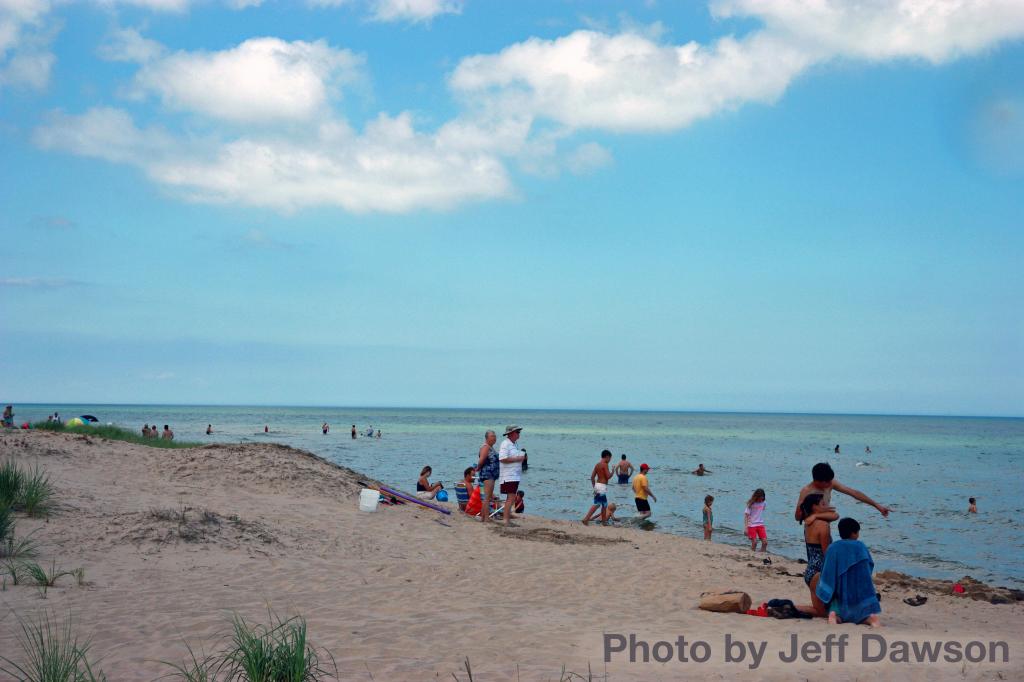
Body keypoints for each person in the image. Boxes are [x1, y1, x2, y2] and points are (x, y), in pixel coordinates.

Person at [816, 518, 882, 627]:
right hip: (858, 596)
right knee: (868, 615)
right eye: (858, 532)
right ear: (853, 533)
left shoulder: (833, 548)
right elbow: (869, 566)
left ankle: (834, 617)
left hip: (839, 596)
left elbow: (827, 572)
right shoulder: (861, 547)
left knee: (833, 612)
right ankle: (871, 620)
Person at [794, 462, 890, 523]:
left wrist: (877, 506)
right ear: (818, 481)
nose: (830, 483)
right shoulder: (806, 491)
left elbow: (854, 493)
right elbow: (797, 517)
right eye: (827, 481)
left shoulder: (830, 483)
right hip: (813, 531)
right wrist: (814, 510)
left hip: (826, 526)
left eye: (831, 480)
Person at [799, 493, 838, 617]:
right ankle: (786, 606)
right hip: (820, 572)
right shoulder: (823, 525)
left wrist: (816, 514)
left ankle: (786, 606)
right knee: (823, 613)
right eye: (822, 503)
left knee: (819, 611)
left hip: (810, 571)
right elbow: (827, 553)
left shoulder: (808, 523)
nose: (826, 505)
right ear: (815, 507)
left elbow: (835, 515)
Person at [498, 425, 526, 526]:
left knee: (511, 497)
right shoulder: (505, 444)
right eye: (517, 432)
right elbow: (502, 458)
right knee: (510, 497)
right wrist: (518, 459)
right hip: (508, 476)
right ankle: (506, 520)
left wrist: (521, 458)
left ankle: (507, 519)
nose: (519, 434)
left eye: (519, 432)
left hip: (514, 475)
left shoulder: (513, 444)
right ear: (511, 433)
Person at [582, 450, 614, 525]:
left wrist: (594, 487)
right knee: (597, 504)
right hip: (602, 487)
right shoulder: (605, 464)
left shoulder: (597, 465)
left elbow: (592, 477)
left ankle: (604, 522)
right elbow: (608, 476)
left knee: (604, 504)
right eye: (610, 458)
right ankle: (586, 519)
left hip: (597, 486)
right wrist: (613, 471)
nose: (609, 460)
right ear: (607, 457)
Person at [476, 430, 500, 523]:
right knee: (487, 497)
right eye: (492, 436)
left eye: (495, 436)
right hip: (487, 474)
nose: (494, 437)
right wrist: (478, 468)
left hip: (492, 475)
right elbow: (481, 459)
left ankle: (483, 517)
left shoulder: (491, 447)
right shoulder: (485, 447)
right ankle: (486, 518)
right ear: (487, 438)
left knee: (488, 496)